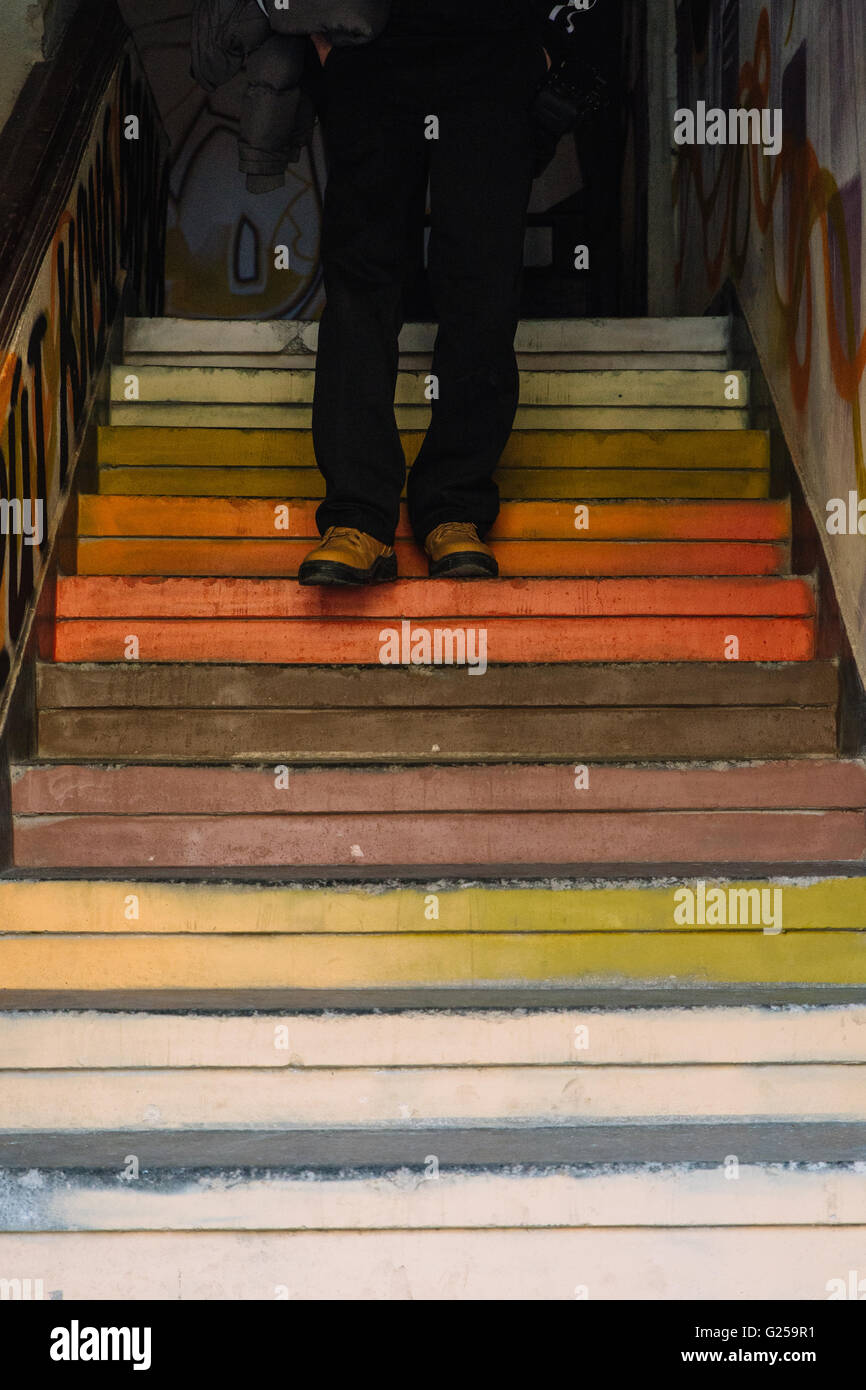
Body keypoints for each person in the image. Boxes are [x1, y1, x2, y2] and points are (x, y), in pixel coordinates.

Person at [299, 2, 557, 586]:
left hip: (494, 53)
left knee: (482, 280)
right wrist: (318, 34)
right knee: (361, 281)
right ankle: (358, 516)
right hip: (372, 46)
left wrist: (555, 46)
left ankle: (455, 503)